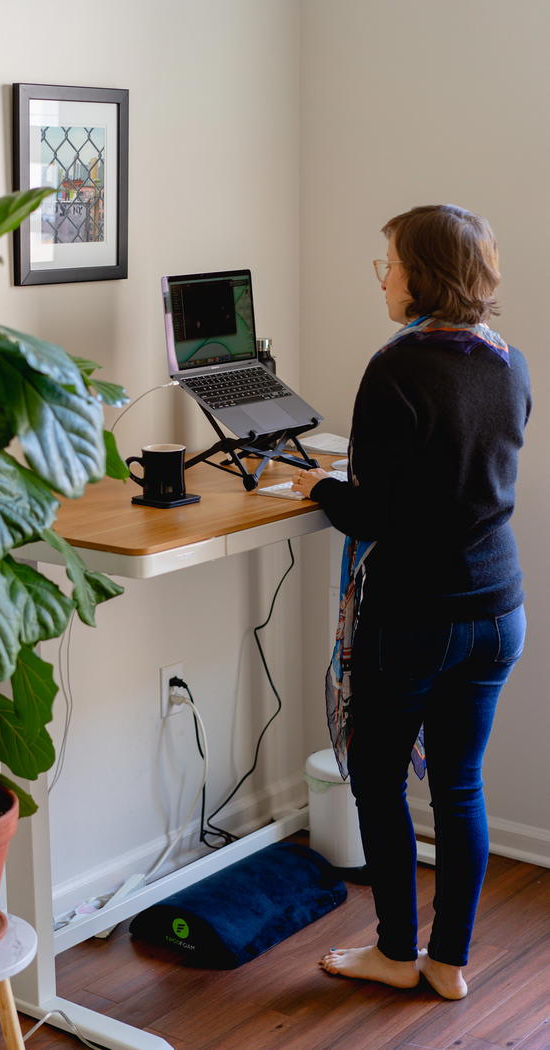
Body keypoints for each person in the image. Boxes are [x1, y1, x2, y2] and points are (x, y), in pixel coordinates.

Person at [291, 204, 531, 1000]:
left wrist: (317, 485)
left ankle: (396, 952)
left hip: (417, 617)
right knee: (460, 787)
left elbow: (374, 515)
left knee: (378, 778)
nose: (383, 279)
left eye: (389, 263)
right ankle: (449, 962)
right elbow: (459, 482)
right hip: (498, 612)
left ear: (422, 276)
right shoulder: (509, 362)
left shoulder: (395, 367)